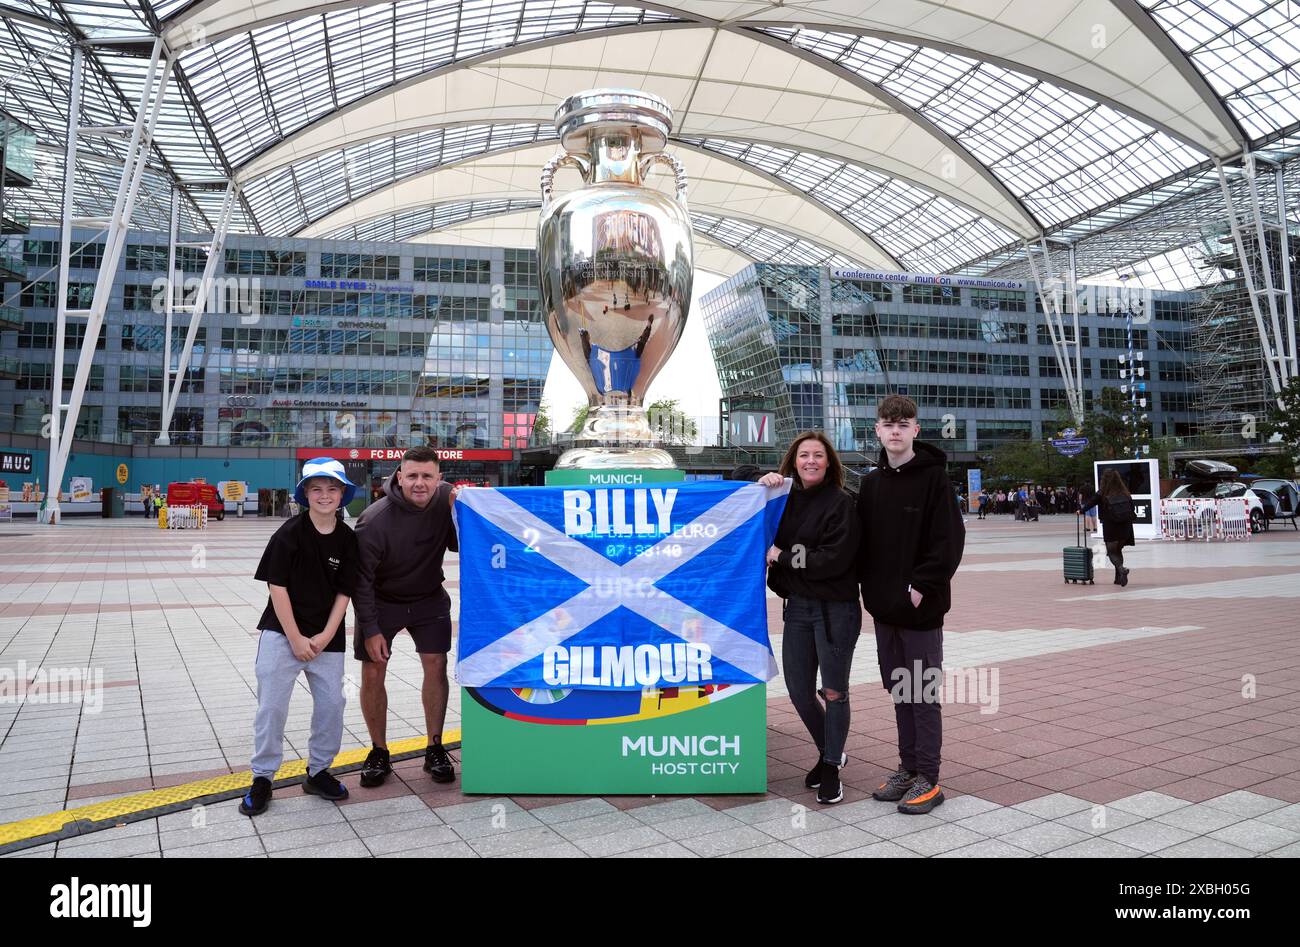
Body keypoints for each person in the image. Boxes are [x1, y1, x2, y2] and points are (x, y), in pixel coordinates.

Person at [856, 394, 964, 815]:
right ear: (878, 430)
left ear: (916, 430)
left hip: (920, 609)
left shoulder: (934, 479)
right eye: (888, 423)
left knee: (921, 692)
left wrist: (920, 586)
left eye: (904, 423)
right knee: (900, 691)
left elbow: (948, 541)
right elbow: (859, 544)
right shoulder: (871, 485)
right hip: (884, 610)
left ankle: (929, 778)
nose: (896, 430)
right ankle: (907, 767)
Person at [239, 458, 360, 816]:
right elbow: (278, 587)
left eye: (332, 488)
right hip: (281, 632)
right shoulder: (288, 535)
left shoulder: (347, 539)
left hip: (327, 637)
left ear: (342, 495)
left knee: (332, 706)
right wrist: (294, 638)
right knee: (272, 706)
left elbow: (345, 593)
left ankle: (318, 771)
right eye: (316, 488)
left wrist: (324, 636)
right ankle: (262, 778)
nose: (325, 495)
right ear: (305, 494)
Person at [758, 433, 861, 805]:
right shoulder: (783, 501)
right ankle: (829, 749)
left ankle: (832, 765)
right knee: (799, 691)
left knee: (834, 692)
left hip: (836, 610)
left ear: (830, 462)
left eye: (819, 455)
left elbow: (832, 560)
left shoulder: (843, 503)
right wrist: (761, 482)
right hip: (798, 608)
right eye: (804, 455)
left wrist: (784, 557)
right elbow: (755, 523)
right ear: (793, 461)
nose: (811, 461)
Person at [353, 446, 461, 787]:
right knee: (373, 671)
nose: (419, 483)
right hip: (382, 601)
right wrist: (370, 629)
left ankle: (434, 748)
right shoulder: (374, 520)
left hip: (428, 598)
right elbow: (361, 582)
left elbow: (461, 544)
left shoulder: (447, 500)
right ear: (399, 477)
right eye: (411, 475)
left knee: (436, 664)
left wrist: (463, 514)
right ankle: (379, 752)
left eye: (427, 476)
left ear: (438, 479)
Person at [1097, 469, 1135, 586]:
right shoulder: (1125, 493)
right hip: (1125, 527)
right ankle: (1118, 578)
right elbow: (1132, 508)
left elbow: (1090, 503)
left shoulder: (1102, 493)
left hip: (1111, 526)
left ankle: (1121, 569)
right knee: (1118, 550)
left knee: (1112, 552)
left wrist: (1080, 511)